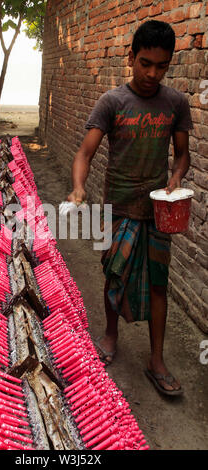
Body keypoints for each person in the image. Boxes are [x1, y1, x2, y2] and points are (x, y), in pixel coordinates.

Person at [67, 20, 193, 396]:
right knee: (113, 275)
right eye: (144, 63)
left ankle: (156, 360)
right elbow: (85, 153)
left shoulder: (176, 104)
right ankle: (109, 335)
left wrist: (176, 179)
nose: (152, 73)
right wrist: (77, 189)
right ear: (130, 57)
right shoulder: (112, 102)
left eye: (161, 66)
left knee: (158, 284)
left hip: (158, 212)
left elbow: (183, 155)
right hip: (116, 208)